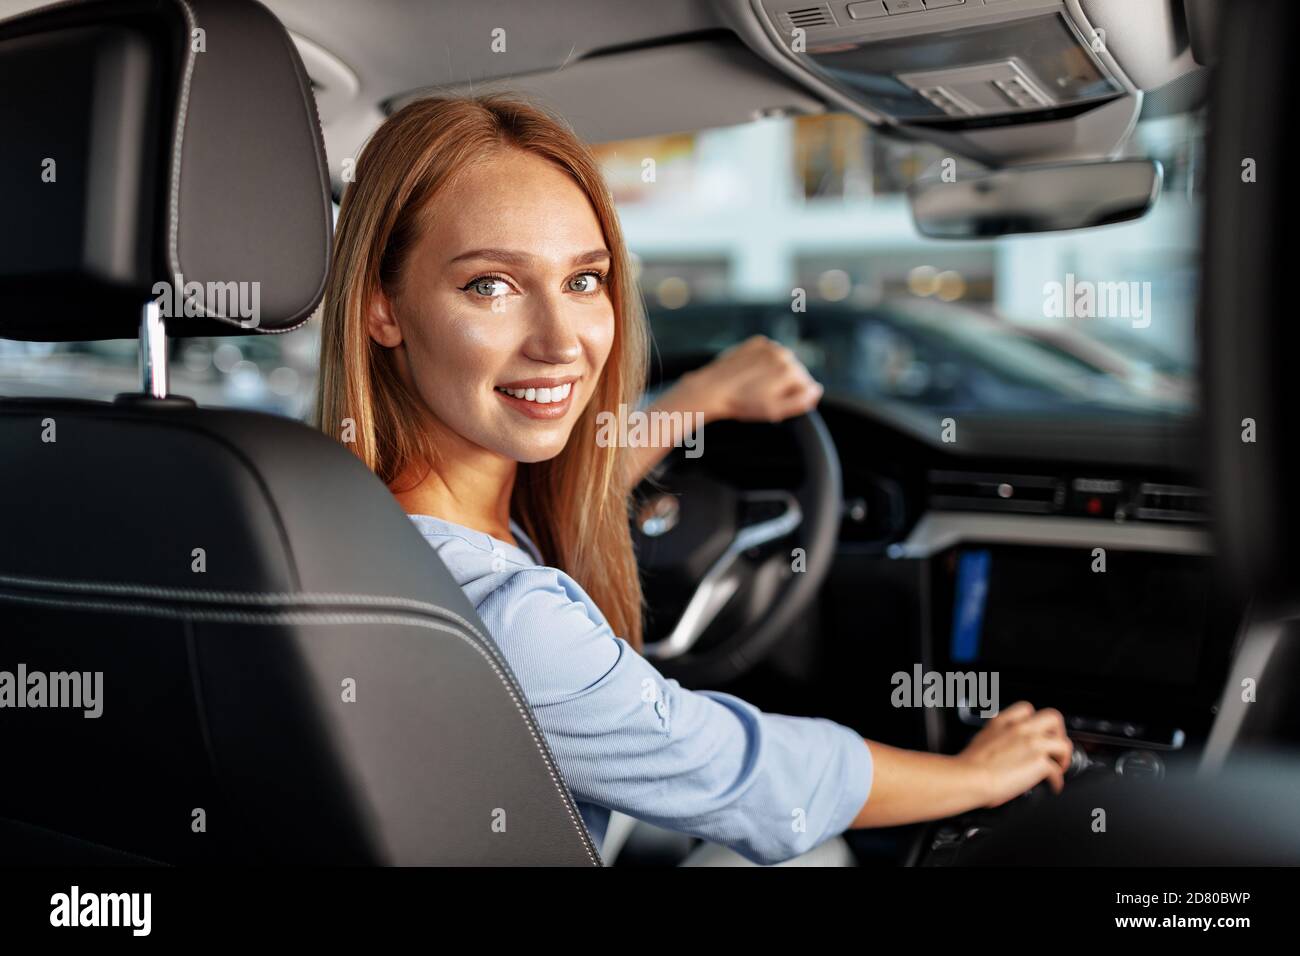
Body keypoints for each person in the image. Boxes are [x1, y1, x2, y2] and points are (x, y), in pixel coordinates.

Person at [315, 94, 1073, 865]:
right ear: (382, 306)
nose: (561, 344)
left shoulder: (338, 520)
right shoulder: (510, 618)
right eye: (490, 285)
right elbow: (753, 781)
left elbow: (576, 493)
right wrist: (976, 775)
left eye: (584, 281)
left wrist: (697, 401)